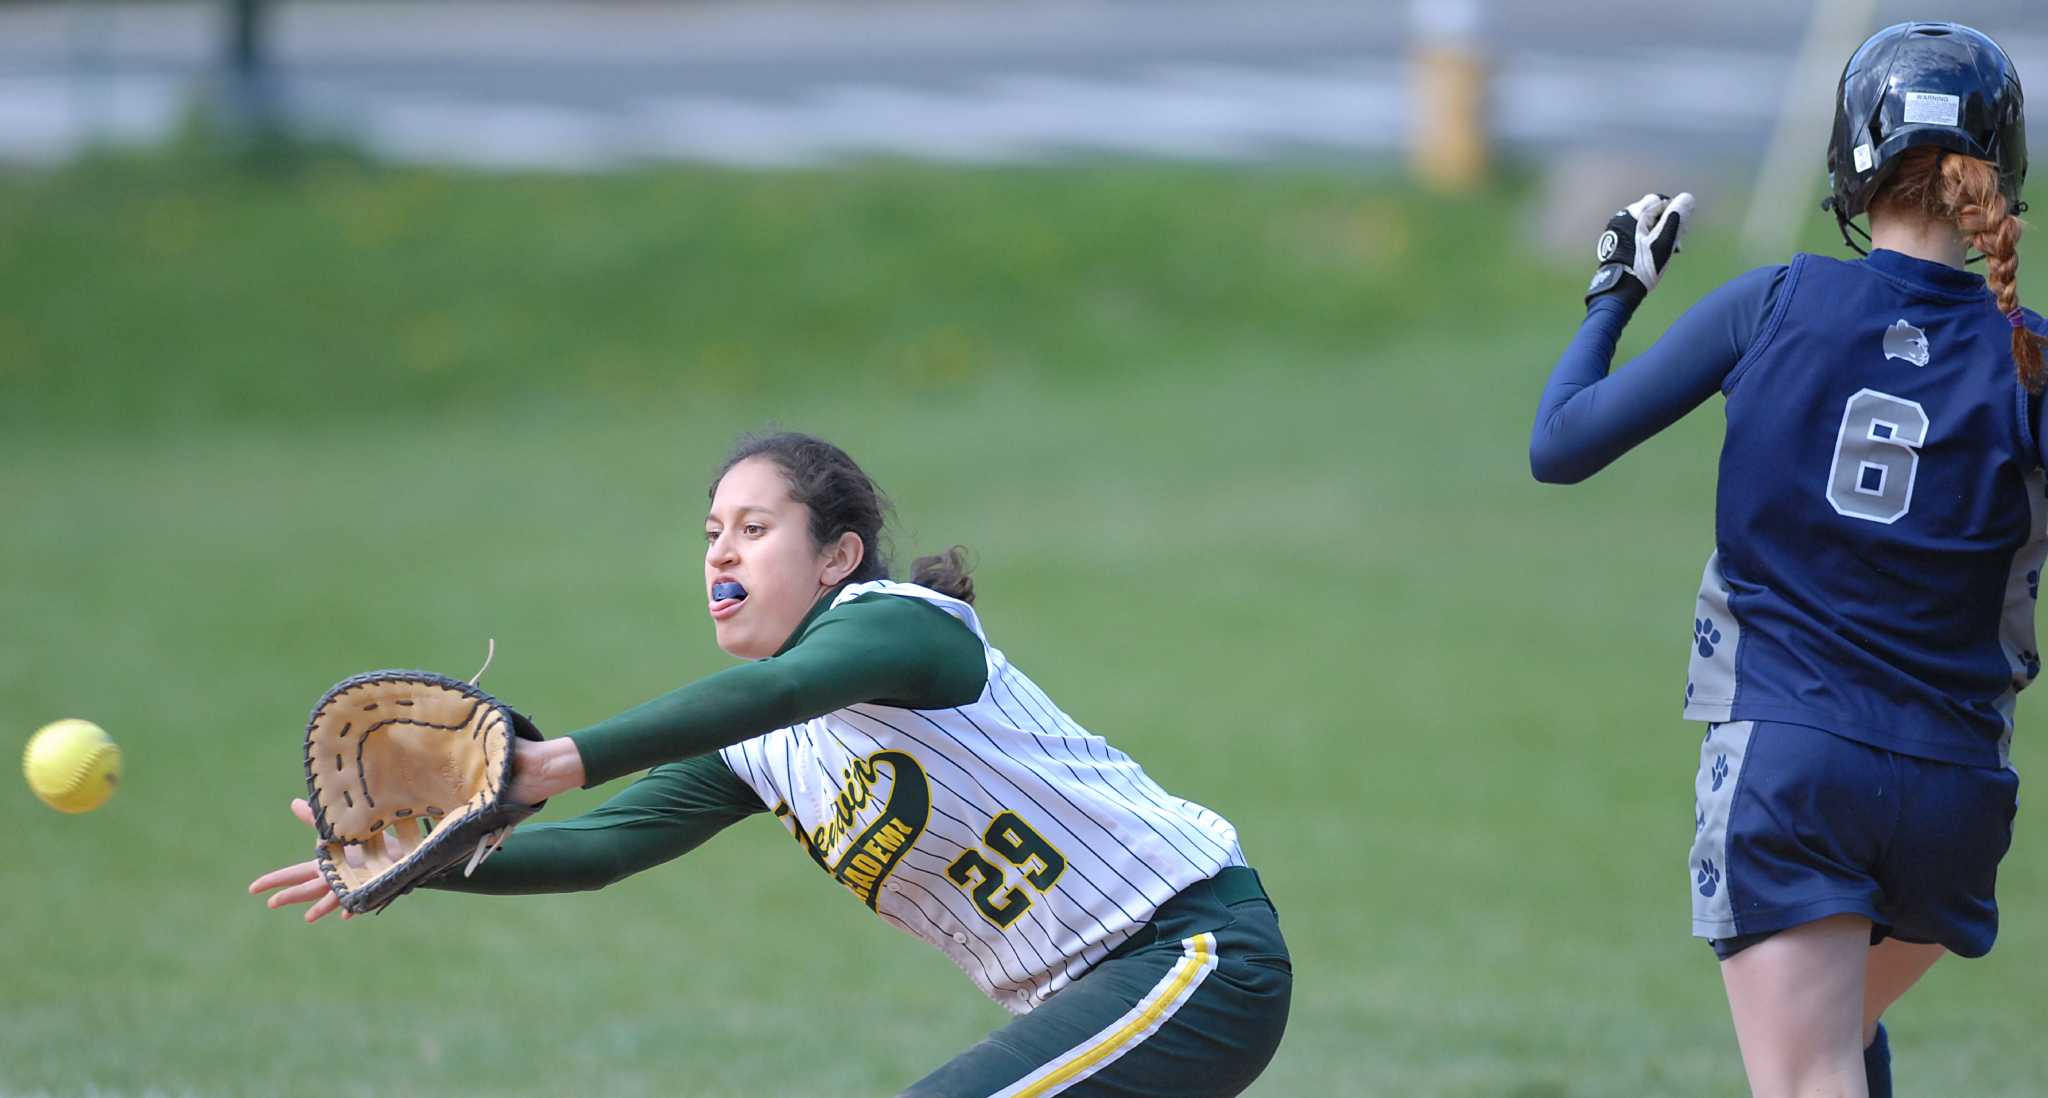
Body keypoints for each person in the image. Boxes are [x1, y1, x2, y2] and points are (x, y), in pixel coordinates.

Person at [250, 431, 1291, 1098]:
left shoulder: (906, 629)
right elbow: (606, 847)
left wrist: (556, 760)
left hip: (1189, 954)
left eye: (754, 528)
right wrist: (417, 863)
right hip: (1094, 990)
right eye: (711, 533)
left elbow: (783, 688)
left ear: (836, 556)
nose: (719, 553)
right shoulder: (760, 751)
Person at [1528, 22, 2044, 1098]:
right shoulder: (2028, 358)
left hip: (1794, 763)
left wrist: (1613, 295)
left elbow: (1559, 447)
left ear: (1850, 162)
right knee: (1837, 1043)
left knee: (1806, 1074)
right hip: (1956, 790)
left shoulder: (1770, 304)